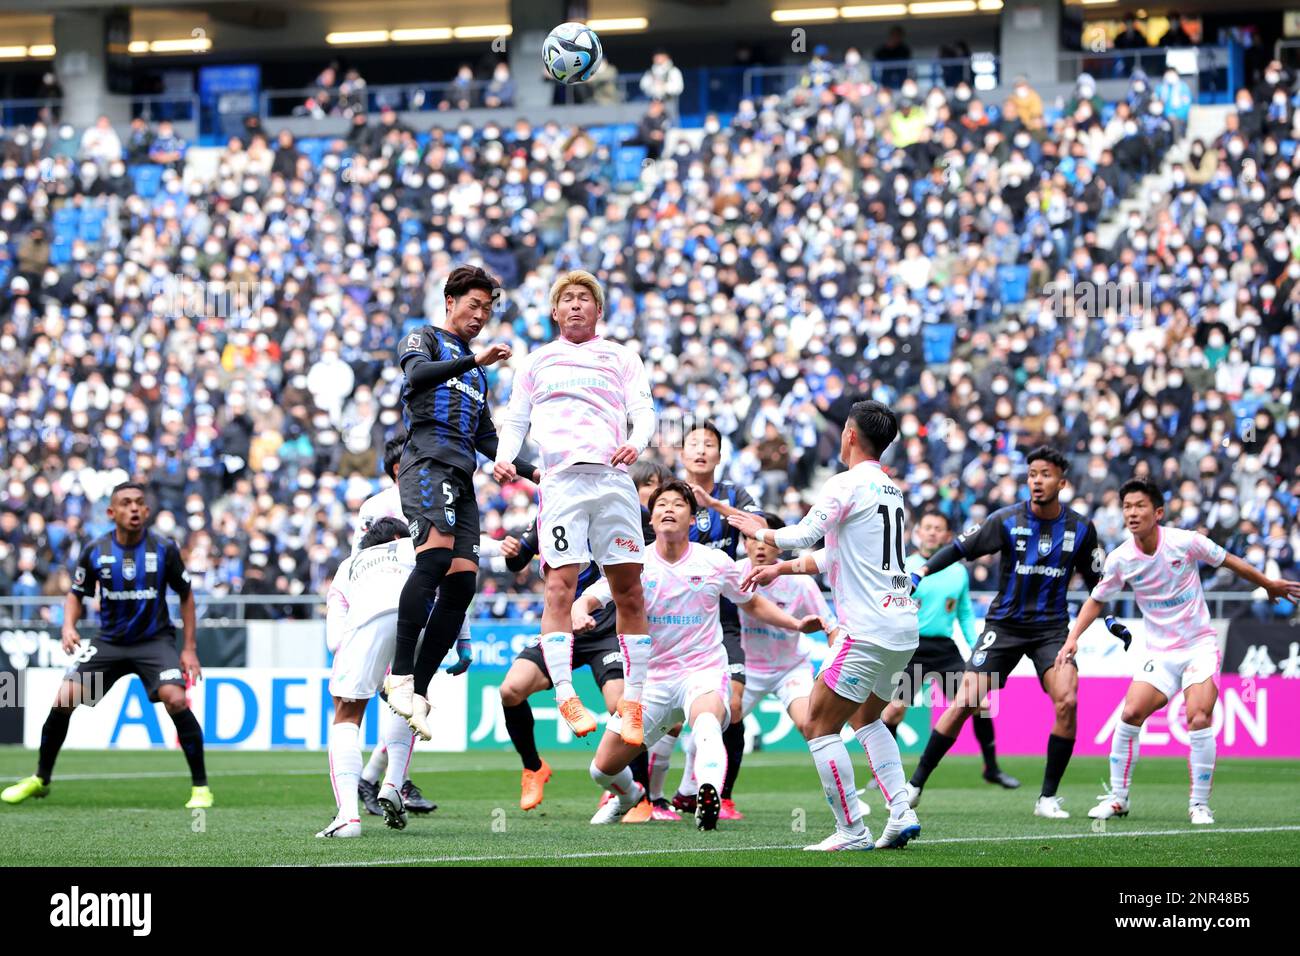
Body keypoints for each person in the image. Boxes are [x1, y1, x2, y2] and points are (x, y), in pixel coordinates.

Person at [574, 479, 824, 829]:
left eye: (678, 504)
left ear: (692, 519)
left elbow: (751, 602)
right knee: (601, 770)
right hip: (651, 681)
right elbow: (592, 597)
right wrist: (578, 610)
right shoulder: (634, 564)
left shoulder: (715, 562)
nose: (668, 509)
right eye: (661, 504)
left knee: (706, 722)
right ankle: (630, 797)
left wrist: (796, 625)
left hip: (703, 670)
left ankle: (707, 794)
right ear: (651, 519)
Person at [732, 400, 922, 851]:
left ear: (851, 435)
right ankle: (900, 810)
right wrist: (779, 570)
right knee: (866, 717)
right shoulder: (889, 490)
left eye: (842, 430)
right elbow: (834, 555)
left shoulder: (847, 483)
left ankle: (852, 830)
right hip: (901, 628)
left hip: (866, 629)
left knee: (818, 724)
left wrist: (759, 532)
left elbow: (801, 534)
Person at [1062, 478, 1300, 826]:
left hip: (1199, 646)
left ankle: (1199, 805)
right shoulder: (1120, 559)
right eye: (1127, 506)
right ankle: (1117, 799)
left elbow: (1228, 560)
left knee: (1199, 716)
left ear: (1157, 512)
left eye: (1139, 505)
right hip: (1159, 652)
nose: (1132, 512)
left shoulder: (1185, 542)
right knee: (1129, 714)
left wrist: (1267, 583)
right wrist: (1073, 638)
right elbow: (1096, 599)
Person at [903, 446, 1113, 819]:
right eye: (1032, 474)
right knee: (965, 702)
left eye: (1045, 474)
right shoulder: (1006, 520)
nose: (1037, 481)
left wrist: (1109, 619)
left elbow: (1099, 583)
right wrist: (921, 572)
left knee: (1067, 700)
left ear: (1061, 482)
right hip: (1004, 626)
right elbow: (958, 548)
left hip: (1051, 630)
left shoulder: (1081, 528)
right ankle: (915, 785)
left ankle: (1047, 798)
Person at [493, 270, 656, 746]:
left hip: (611, 480)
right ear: (554, 311)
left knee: (629, 591)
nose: (577, 305)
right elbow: (516, 419)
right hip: (562, 482)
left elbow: (644, 410)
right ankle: (565, 693)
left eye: (585, 299)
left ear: (598, 310)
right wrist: (504, 458)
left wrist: (636, 442)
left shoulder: (621, 356)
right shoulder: (537, 362)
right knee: (559, 589)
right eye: (568, 299)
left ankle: (634, 702)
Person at [2, 483, 210, 809]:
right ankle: (41, 779)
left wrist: (189, 648)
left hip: (154, 643)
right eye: (126, 504)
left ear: (147, 510)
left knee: (176, 699)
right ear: (112, 513)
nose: (134, 509)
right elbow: (76, 593)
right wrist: (69, 625)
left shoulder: (164, 549)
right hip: (110, 644)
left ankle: (201, 788)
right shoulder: (96, 551)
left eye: (140, 503)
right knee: (64, 698)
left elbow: (186, 596)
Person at [385, 265, 520, 741]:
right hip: (426, 463)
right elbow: (417, 375)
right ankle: (399, 675)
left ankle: (416, 690)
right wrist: (475, 362)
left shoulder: (477, 375)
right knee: (436, 558)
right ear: (450, 301)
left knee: (463, 582)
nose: (481, 314)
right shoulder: (424, 339)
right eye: (474, 305)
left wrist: (531, 471)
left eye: (487, 308)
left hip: (463, 477)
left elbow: (486, 436)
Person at [497, 462, 663, 813]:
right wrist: (513, 555)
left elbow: (649, 567)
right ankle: (533, 766)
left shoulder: (625, 510)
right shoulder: (557, 507)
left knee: (622, 707)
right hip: (563, 628)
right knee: (511, 690)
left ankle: (636, 793)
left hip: (607, 630)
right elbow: (520, 559)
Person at [667, 420, 764, 820]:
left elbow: (761, 528)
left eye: (710, 444)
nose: (702, 450)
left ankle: (719, 794)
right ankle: (644, 795)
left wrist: (718, 507)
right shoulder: (668, 494)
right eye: (694, 444)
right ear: (682, 452)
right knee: (668, 719)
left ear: (720, 455)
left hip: (722, 619)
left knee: (733, 707)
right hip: (672, 618)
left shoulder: (733, 495)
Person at [882, 509, 1019, 790]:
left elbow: (965, 615)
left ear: (946, 535)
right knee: (893, 712)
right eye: (927, 527)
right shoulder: (904, 567)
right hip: (912, 649)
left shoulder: (958, 572)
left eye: (938, 528)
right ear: (917, 532)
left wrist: (977, 647)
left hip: (945, 650)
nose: (932, 532)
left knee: (979, 705)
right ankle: (884, 773)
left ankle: (991, 768)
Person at [318, 518, 423, 837]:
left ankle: (348, 817)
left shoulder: (351, 563)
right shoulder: (414, 549)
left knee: (347, 713)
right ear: (396, 536)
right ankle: (392, 782)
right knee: (406, 699)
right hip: (419, 623)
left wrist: (347, 655)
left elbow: (334, 628)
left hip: (366, 627)